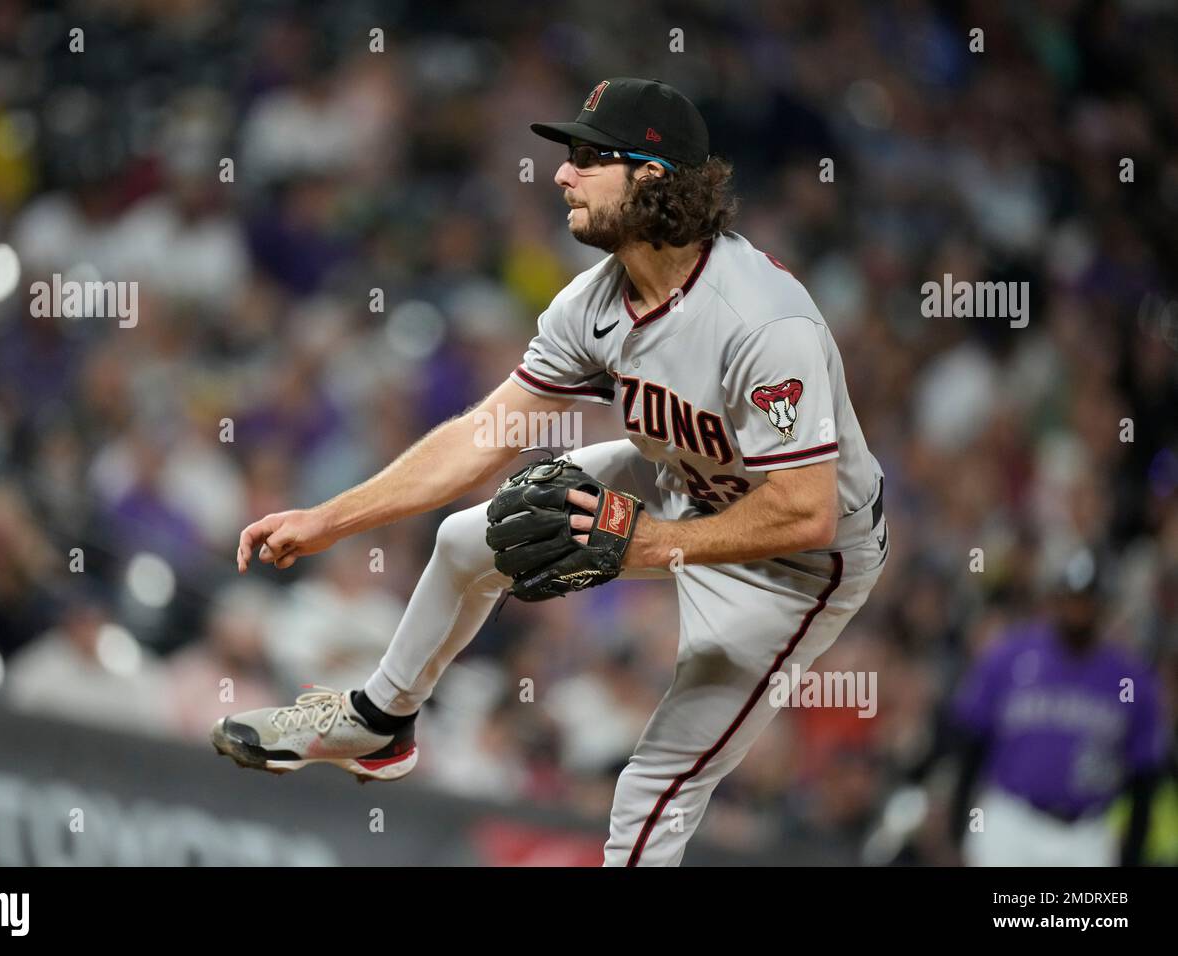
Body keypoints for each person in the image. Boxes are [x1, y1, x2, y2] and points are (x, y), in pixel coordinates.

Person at [214, 77, 888, 866]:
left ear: (653, 178)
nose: (562, 174)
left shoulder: (763, 323)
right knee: (474, 538)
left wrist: (642, 545)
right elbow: (482, 437)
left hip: (798, 563)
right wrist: (329, 519)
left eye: (590, 157)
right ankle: (379, 720)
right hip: (682, 478)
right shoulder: (593, 303)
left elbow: (804, 510)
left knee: (654, 788)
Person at [949, 548, 1167, 866]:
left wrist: (1133, 849)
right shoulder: (1010, 657)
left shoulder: (1130, 679)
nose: (1077, 609)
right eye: (1071, 597)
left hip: (1088, 829)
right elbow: (973, 744)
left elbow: (1144, 774)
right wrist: (960, 822)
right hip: (1012, 820)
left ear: (1102, 604)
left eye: (1086, 599)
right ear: (1054, 599)